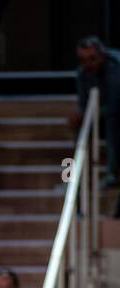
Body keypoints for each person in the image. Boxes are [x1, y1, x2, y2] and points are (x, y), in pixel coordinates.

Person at [73, 37, 120, 187]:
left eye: (92, 59)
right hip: (103, 113)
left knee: (113, 120)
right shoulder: (82, 73)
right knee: (80, 128)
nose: (88, 64)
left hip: (114, 114)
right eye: (82, 59)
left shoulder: (115, 66)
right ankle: (74, 179)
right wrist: (81, 114)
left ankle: (113, 173)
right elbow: (83, 104)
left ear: (102, 55)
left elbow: (115, 103)